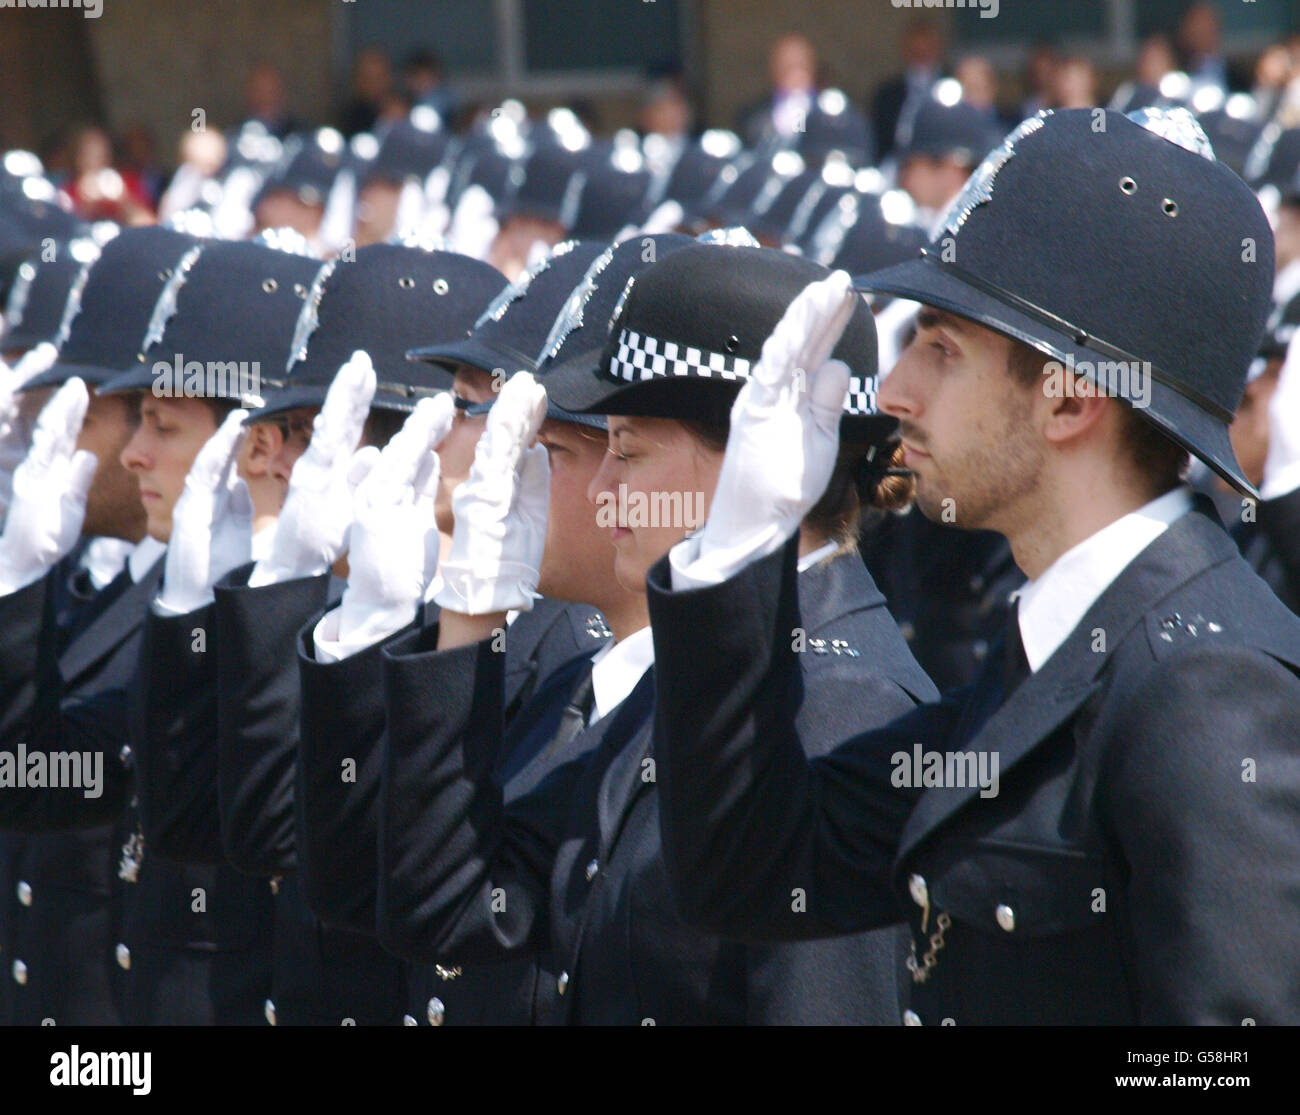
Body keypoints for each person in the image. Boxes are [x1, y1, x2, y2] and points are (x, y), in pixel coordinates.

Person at [641, 107, 1300, 1024]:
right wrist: (740, 550)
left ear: (1070, 402)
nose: (896, 390)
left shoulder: (1205, 685)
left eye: (942, 347)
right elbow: (750, 873)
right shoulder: (1047, 656)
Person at [368, 241, 935, 1025]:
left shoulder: (838, 702)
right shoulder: (685, 675)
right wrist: (467, 621)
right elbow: (452, 907)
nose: (604, 488)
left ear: (752, 454)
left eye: (628, 451)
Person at [0, 228, 203, 1025]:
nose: (53, 444)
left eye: (81, 412)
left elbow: (35, 774)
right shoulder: (81, 586)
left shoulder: (192, 618)